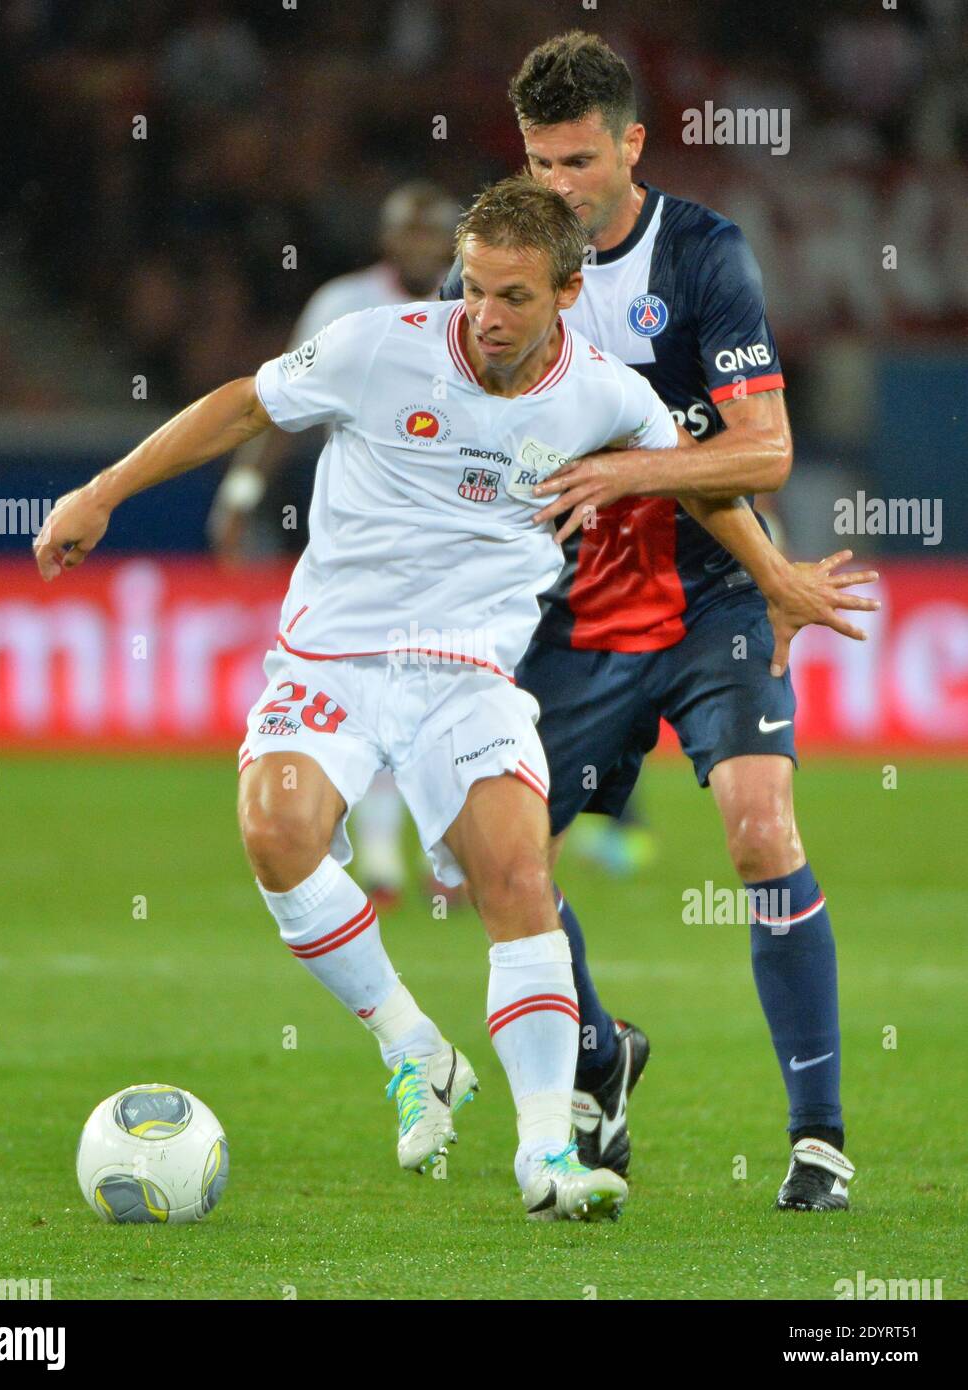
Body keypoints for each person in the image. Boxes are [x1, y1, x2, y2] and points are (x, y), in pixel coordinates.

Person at [33, 176, 835, 1222]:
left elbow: (699, 483)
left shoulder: (606, 395)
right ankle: (411, 1043)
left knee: (513, 872)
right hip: (334, 656)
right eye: (474, 289)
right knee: (277, 834)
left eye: (512, 297)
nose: (485, 317)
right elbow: (241, 404)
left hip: (468, 671)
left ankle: (546, 1154)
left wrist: (774, 576)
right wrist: (100, 493)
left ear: (565, 291)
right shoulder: (381, 346)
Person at [440, 31, 878, 1211]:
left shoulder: (700, 256)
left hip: (707, 600)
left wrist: (637, 479)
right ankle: (597, 1055)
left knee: (757, 827)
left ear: (631, 145)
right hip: (566, 616)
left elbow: (767, 447)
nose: (556, 188)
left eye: (578, 161)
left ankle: (818, 1139)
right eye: (538, 162)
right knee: (498, 861)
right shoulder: (493, 277)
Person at [210, 181, 461, 908]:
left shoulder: (485, 308)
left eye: (433, 233)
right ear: (387, 241)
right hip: (357, 533)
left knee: (444, 688)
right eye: (408, 233)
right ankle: (386, 852)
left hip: (455, 535)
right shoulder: (342, 305)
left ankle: (455, 851)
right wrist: (241, 493)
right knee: (379, 679)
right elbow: (275, 406)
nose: (420, 246)